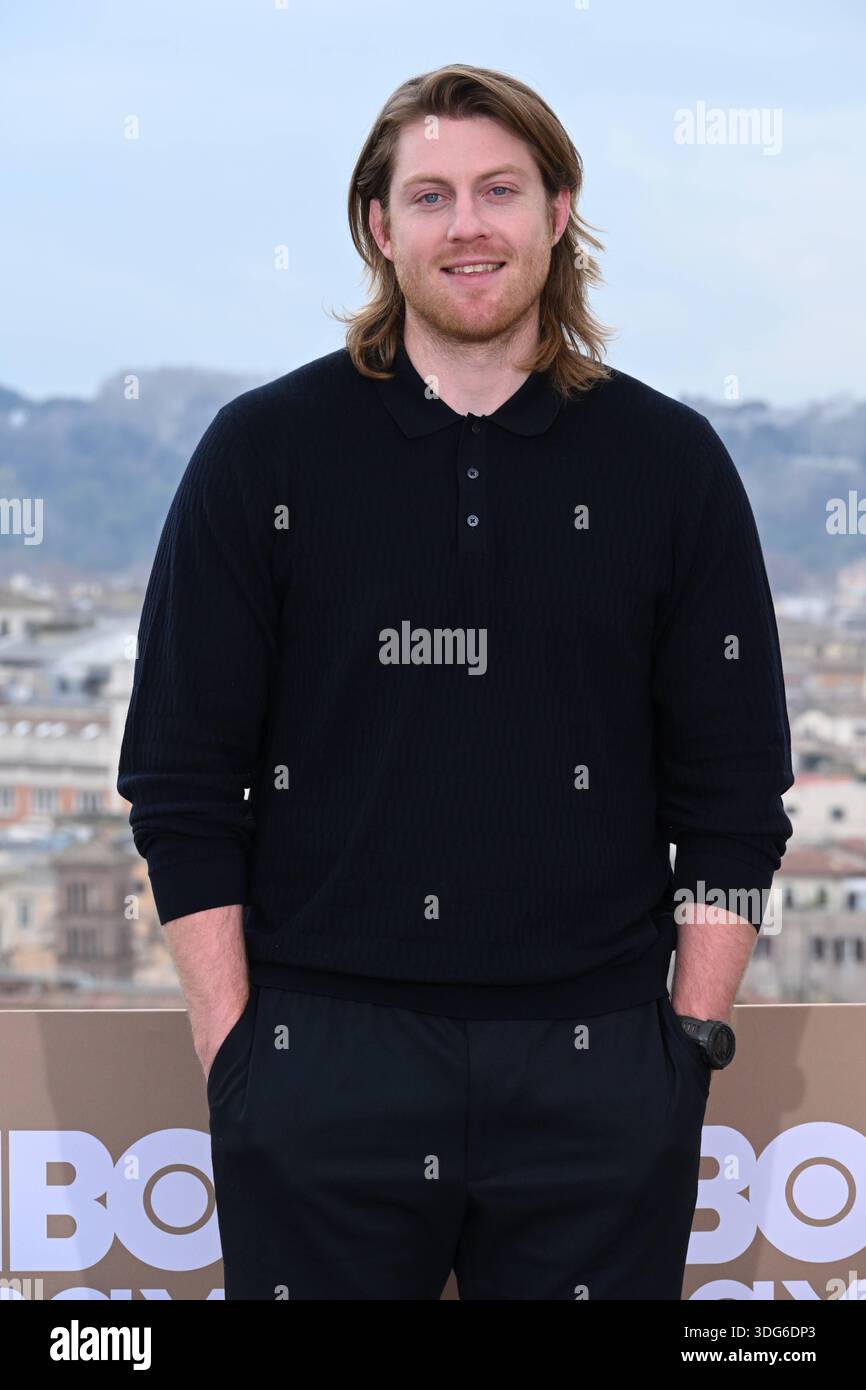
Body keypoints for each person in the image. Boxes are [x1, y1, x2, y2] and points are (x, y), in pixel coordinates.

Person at [116, 63, 794, 1300]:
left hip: (595, 1067)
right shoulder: (261, 453)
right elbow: (179, 777)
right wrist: (238, 1057)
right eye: (428, 195)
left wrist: (685, 1046)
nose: (466, 224)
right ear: (380, 227)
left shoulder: (670, 464)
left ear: (558, 211)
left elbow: (735, 789)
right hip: (321, 1059)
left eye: (498, 189)